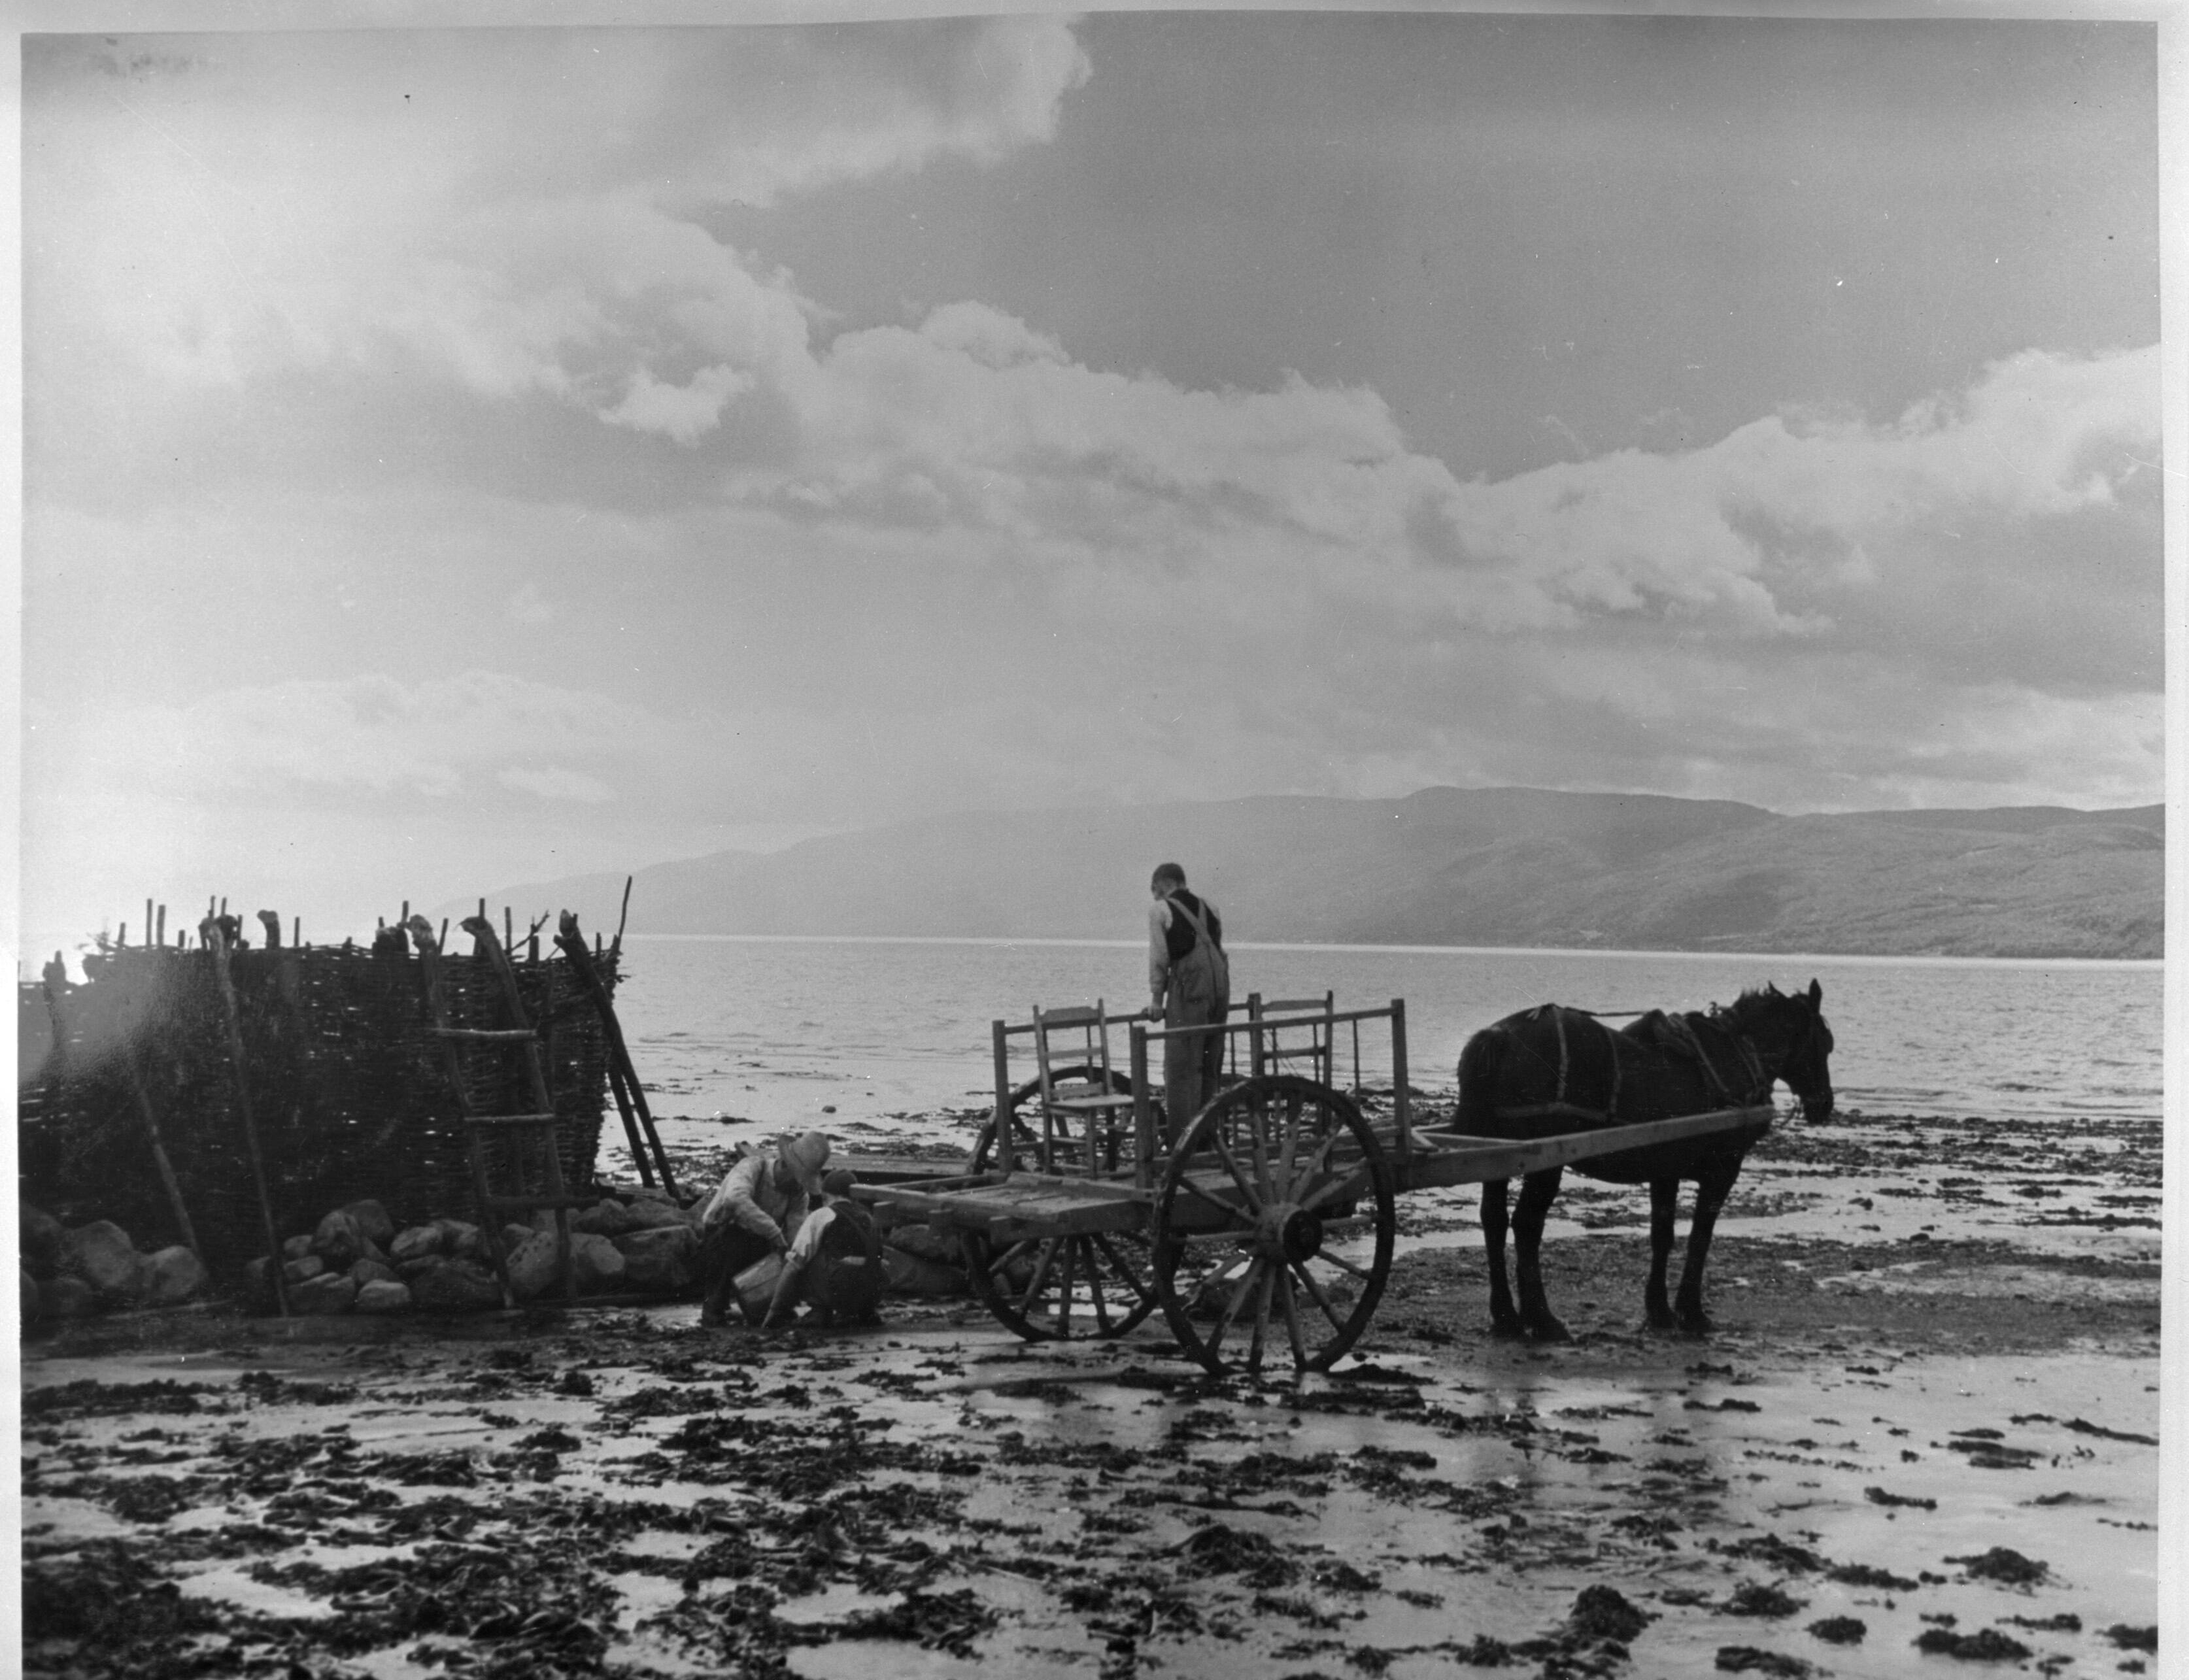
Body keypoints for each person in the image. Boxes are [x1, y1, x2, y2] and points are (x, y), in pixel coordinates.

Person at [696, 1129, 830, 1328]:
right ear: (785, 1166)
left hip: (759, 1242)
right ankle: (714, 1309)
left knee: (783, 1262)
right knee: (729, 1245)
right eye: (798, 1178)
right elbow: (735, 1199)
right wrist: (774, 1232)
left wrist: (793, 1257)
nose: (800, 1185)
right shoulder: (752, 1167)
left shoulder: (798, 1194)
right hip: (721, 1235)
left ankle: (765, 1309)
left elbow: (796, 1231)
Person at [1146, 863, 1230, 1139]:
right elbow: (1219, 950)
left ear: (1163, 883)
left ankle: (1181, 1143)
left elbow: (1159, 958)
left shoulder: (1161, 910)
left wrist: (1157, 1000)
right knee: (1210, 1065)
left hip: (1190, 989)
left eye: (1154, 887)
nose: (1153, 893)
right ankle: (1208, 1139)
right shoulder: (1211, 907)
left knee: (1181, 1068)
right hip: (1219, 990)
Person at [760, 1168, 885, 1330]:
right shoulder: (869, 1216)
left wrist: (774, 1311)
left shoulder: (824, 1214)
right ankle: (862, 1313)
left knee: (803, 1257)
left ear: (825, 1195)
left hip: (840, 1288)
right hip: (873, 1292)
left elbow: (793, 1265)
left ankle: (819, 1311)